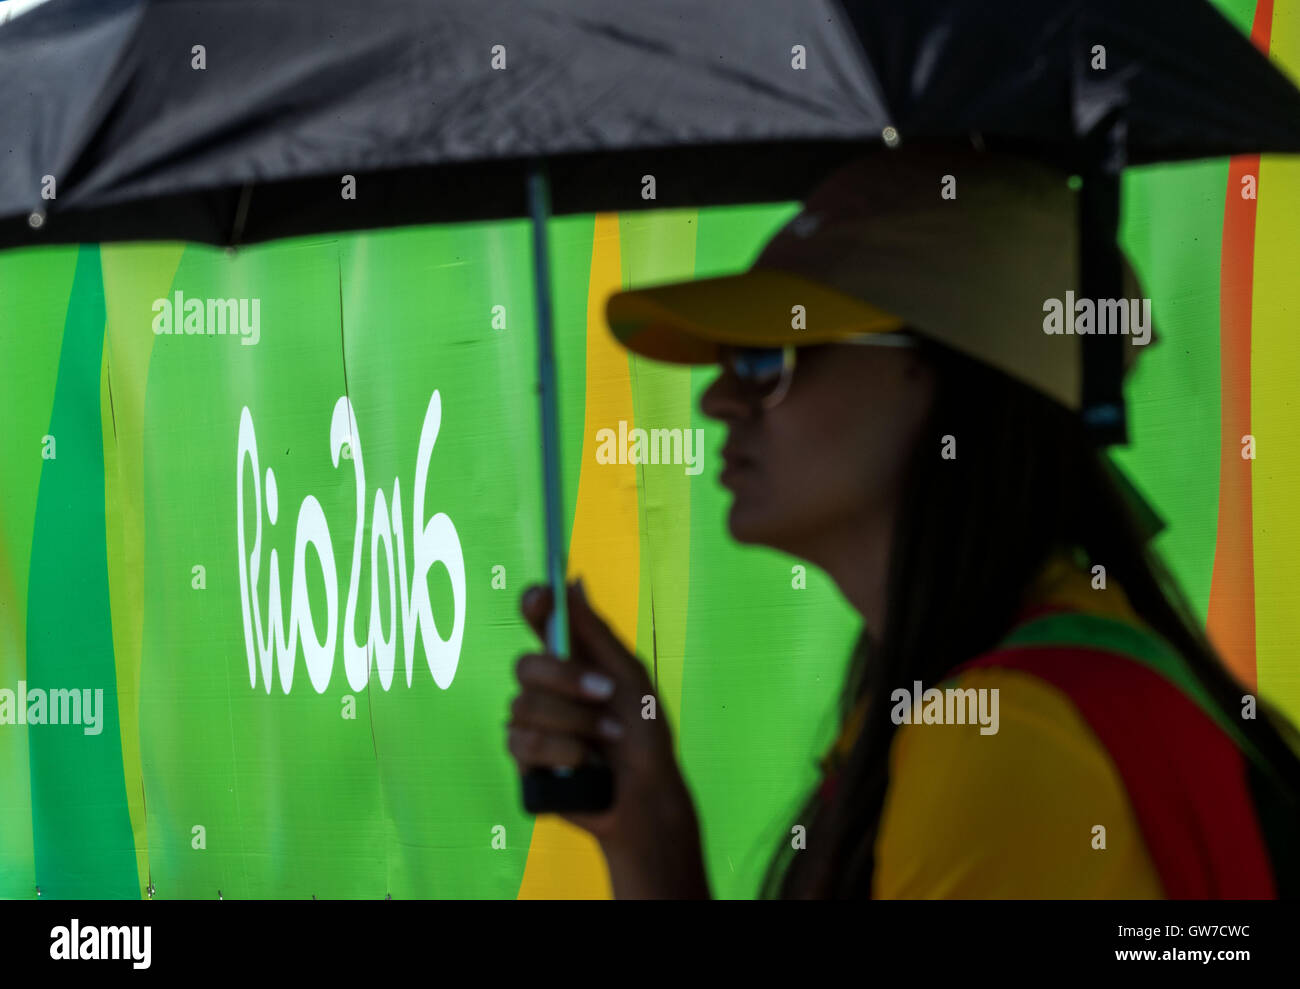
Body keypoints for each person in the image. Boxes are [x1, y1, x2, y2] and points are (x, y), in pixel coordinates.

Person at [505, 146, 1300, 898]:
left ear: (946, 377)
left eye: (769, 355)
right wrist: (649, 833)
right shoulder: (992, 697)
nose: (718, 399)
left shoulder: (1000, 735)